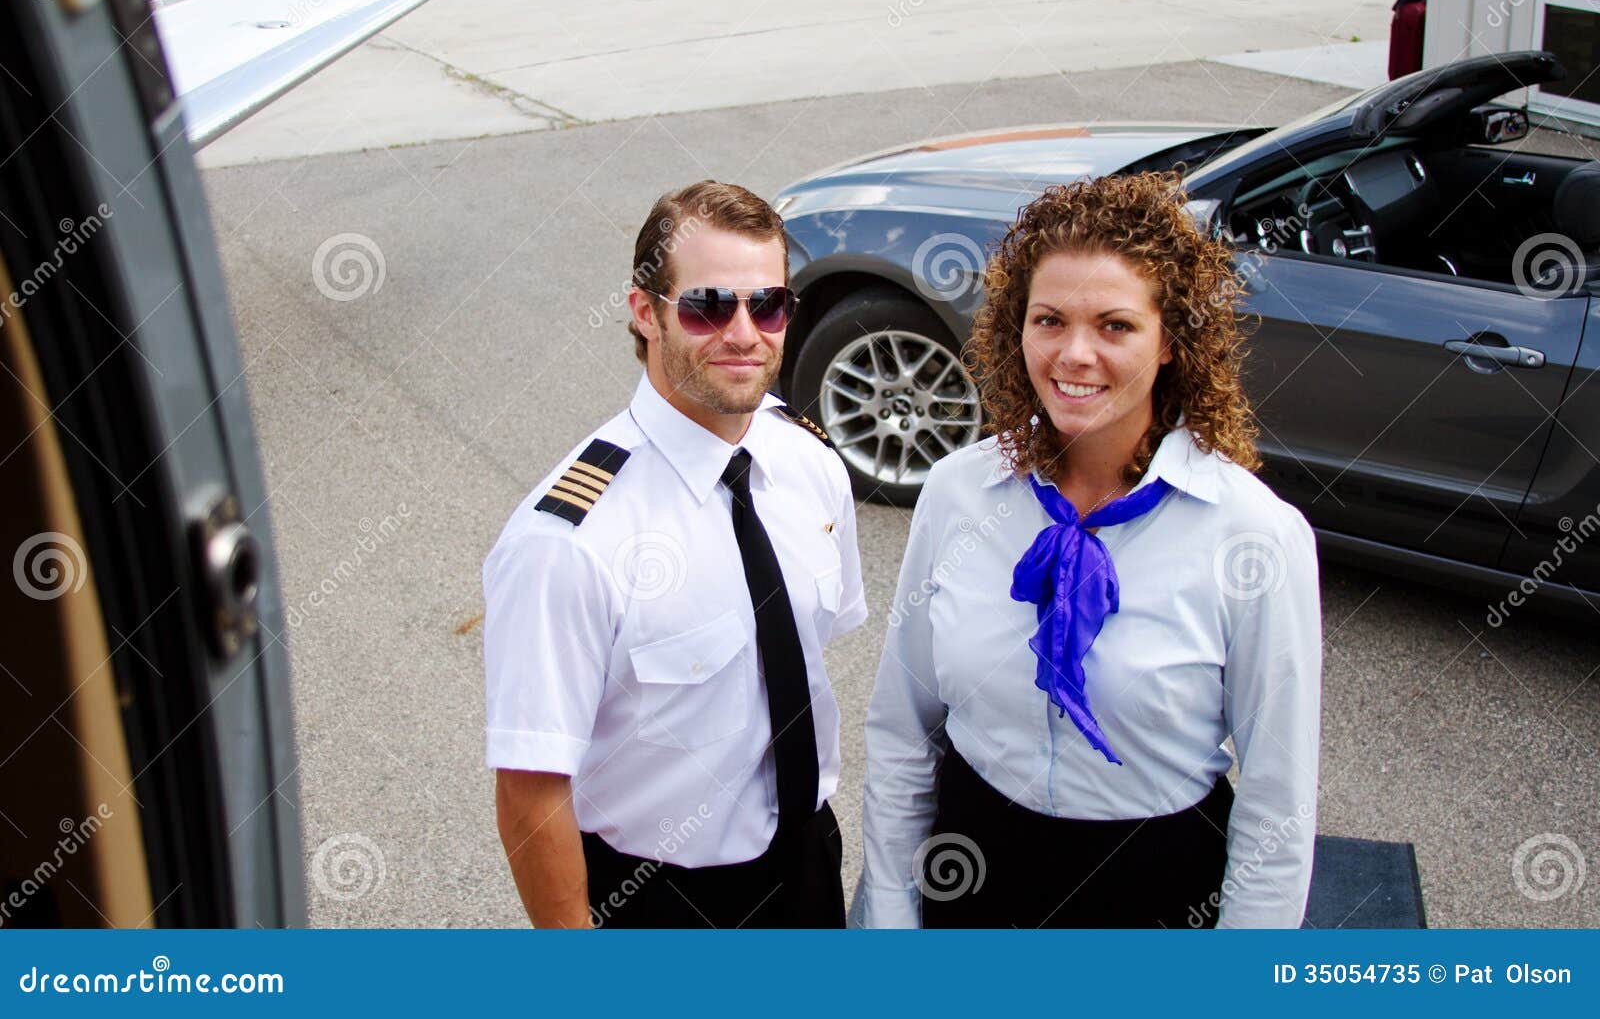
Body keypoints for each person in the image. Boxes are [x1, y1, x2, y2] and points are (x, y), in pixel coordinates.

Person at [860, 172, 1322, 929]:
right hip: (971, 867)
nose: (1075, 354)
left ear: (1171, 339)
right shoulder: (957, 493)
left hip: (1155, 887)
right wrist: (889, 918)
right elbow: (903, 727)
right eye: (1049, 320)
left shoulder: (1255, 536)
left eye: (1115, 325)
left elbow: (1278, 801)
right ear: (1017, 326)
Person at [484, 180, 866, 928]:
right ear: (644, 311)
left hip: (808, 856)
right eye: (708, 305)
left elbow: (807, 649)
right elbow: (530, 787)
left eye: (769, 305)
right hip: (662, 899)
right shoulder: (567, 540)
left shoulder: (810, 463)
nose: (745, 332)